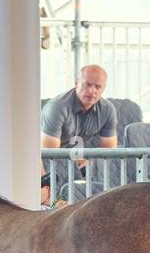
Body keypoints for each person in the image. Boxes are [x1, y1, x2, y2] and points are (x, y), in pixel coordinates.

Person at [40, 64, 118, 202]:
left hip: (70, 150)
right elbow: (49, 153)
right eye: (87, 84)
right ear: (76, 83)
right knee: (45, 193)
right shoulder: (57, 107)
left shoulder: (107, 109)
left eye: (98, 87)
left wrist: (88, 160)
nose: (92, 91)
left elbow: (108, 150)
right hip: (37, 153)